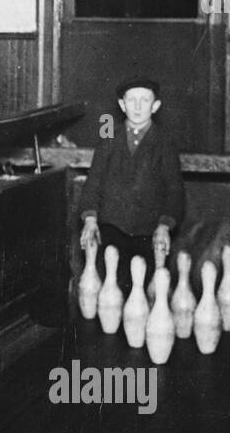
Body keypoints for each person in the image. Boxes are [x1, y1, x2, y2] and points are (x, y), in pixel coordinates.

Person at [77, 75, 185, 290]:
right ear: (121, 104)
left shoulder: (165, 141)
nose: (137, 107)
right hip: (110, 230)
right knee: (108, 292)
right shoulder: (107, 132)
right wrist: (90, 219)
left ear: (155, 106)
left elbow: (175, 191)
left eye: (144, 101)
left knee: (147, 295)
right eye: (131, 100)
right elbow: (94, 180)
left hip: (149, 233)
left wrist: (164, 226)